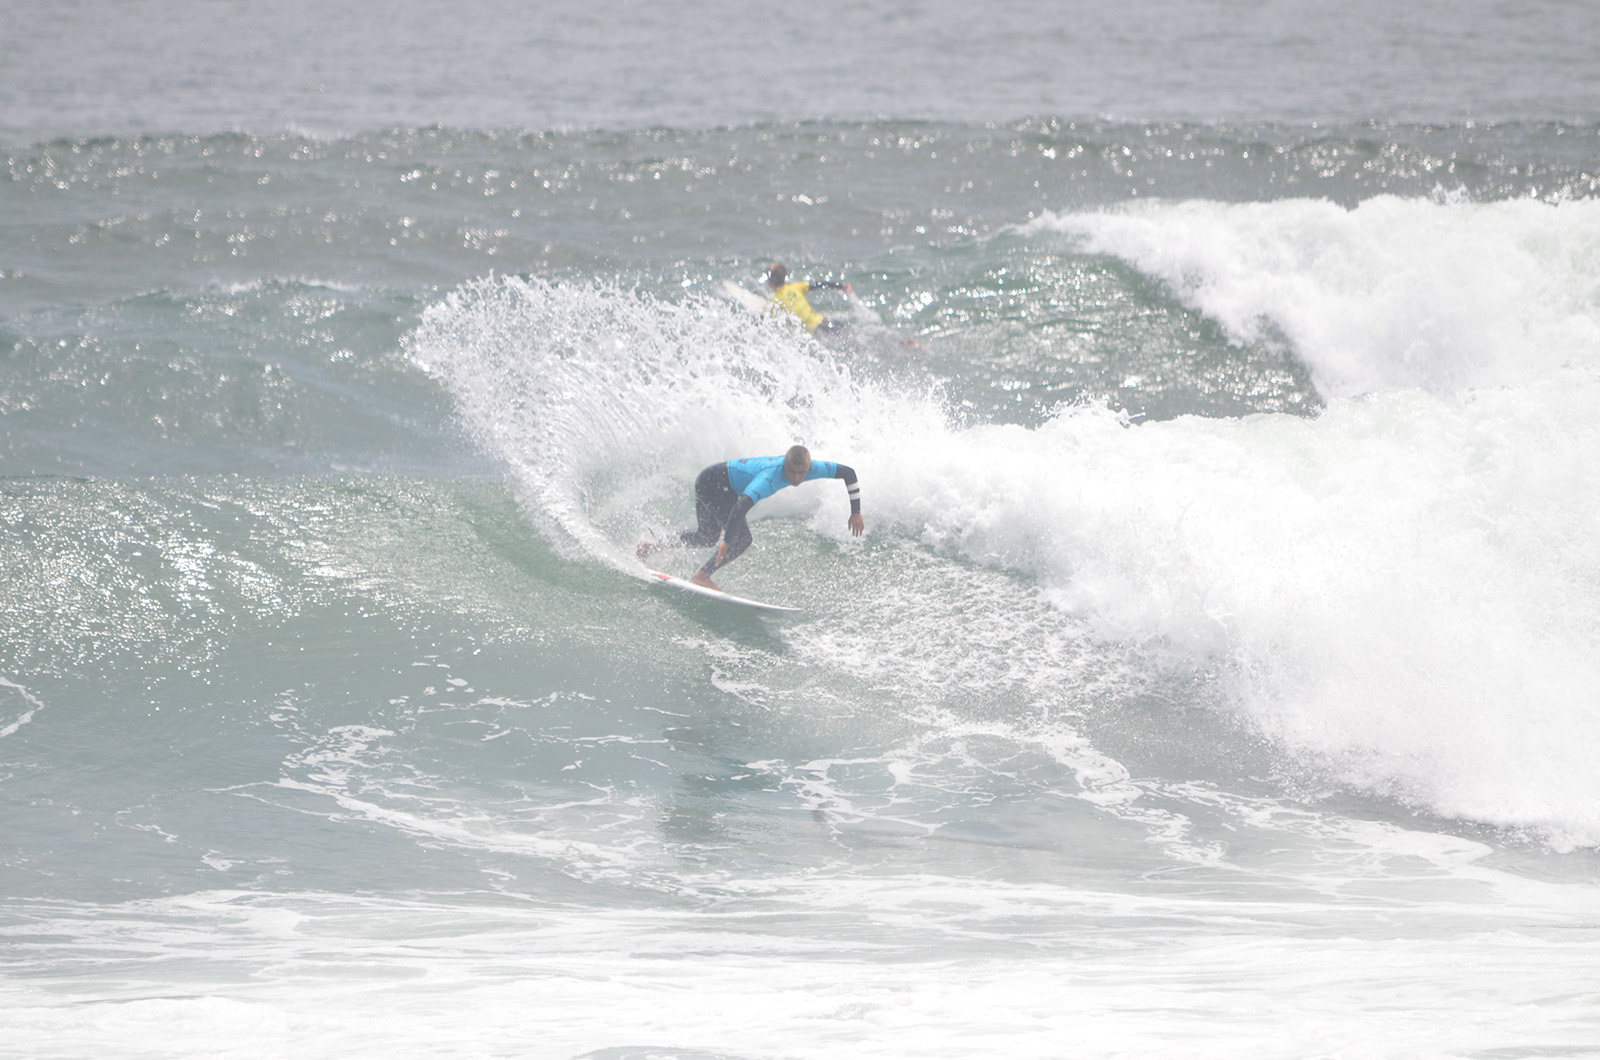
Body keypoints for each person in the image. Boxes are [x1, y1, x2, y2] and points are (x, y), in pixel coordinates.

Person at [637, 445, 864, 591]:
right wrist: (727, 540)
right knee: (742, 539)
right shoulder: (769, 478)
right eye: (791, 471)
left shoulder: (813, 468)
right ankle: (702, 576)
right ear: (785, 465)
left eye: (801, 473)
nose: (795, 478)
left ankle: (651, 547)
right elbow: (740, 506)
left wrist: (855, 511)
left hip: (714, 480)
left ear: (808, 467)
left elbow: (848, 473)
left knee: (705, 537)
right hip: (713, 483)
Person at [764, 262, 852, 334]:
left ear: (770, 281)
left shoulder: (774, 301)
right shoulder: (795, 287)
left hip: (818, 331)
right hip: (826, 320)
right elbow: (818, 284)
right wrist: (841, 286)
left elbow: (763, 320)